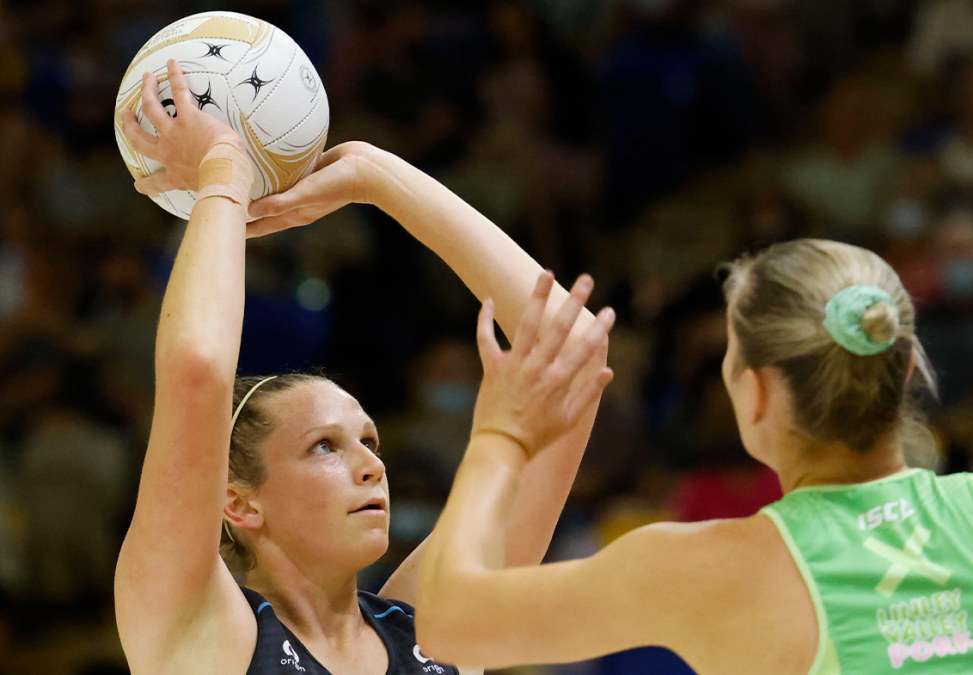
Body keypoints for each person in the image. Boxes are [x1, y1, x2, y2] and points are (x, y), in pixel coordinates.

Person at [409, 236, 973, 672]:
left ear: (755, 394)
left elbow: (441, 625)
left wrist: (502, 433)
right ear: (904, 370)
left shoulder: (705, 568)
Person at [113, 60, 613, 675]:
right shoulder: (194, 630)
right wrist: (223, 174)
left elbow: (574, 355)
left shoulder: (440, 627)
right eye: (324, 446)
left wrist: (377, 177)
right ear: (238, 502)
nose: (372, 464)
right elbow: (197, 372)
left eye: (370, 440)